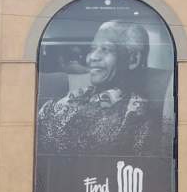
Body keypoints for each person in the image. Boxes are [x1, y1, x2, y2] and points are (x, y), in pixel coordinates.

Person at [36, 19, 165, 158]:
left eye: (105, 49)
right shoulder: (75, 96)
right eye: (93, 49)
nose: (92, 57)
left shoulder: (136, 118)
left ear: (133, 59)